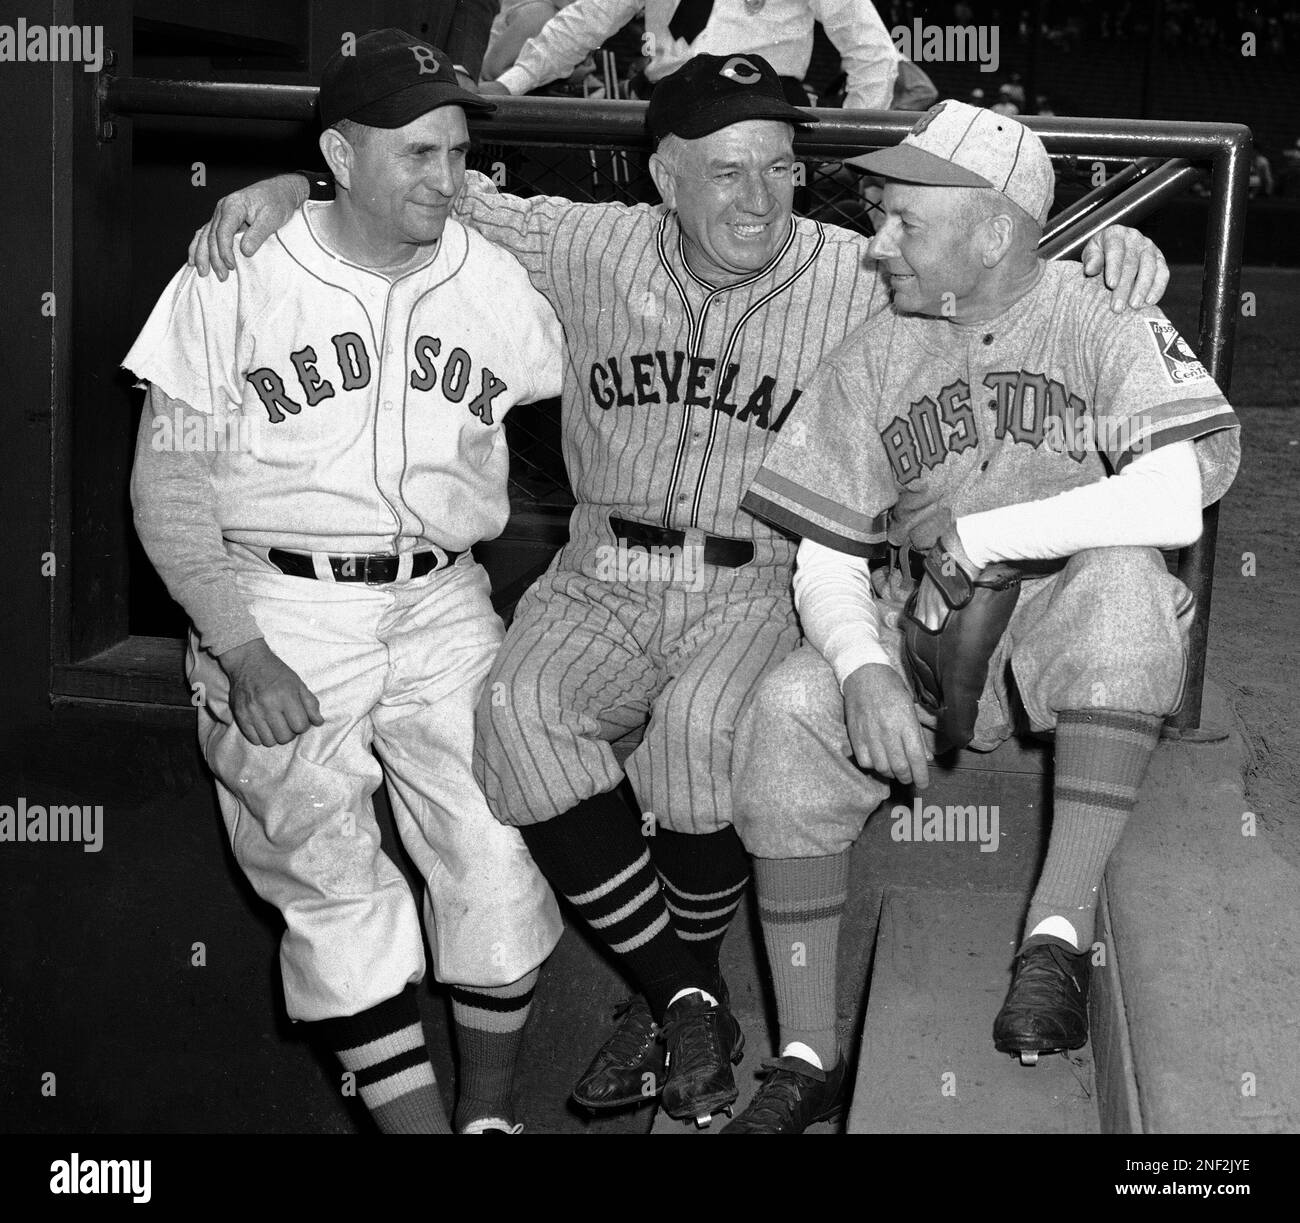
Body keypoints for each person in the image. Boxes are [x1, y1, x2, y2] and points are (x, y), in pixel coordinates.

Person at [186, 54, 1169, 1128]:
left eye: (784, 170)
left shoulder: (855, 267)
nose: (762, 199)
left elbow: (994, 258)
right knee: (517, 713)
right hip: (602, 566)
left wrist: (1115, 246)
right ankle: (683, 994)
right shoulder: (586, 241)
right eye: (729, 172)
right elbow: (426, 190)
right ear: (662, 173)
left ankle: (673, 1007)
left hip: (754, 570)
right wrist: (298, 193)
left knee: (708, 733)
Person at [728, 99, 1241, 1133]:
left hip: (1059, 623)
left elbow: (1176, 490)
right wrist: (862, 666)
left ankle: (1054, 932)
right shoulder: (876, 351)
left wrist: (989, 532)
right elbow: (827, 550)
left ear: (995, 227)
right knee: (786, 710)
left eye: (906, 223)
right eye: (881, 219)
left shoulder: (1101, 310)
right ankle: (801, 1051)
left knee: (1126, 578)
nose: (879, 247)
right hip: (922, 628)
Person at [127, 29, 565, 1135]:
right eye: (416, 153)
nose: (448, 179)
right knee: (326, 864)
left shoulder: (498, 276)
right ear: (339, 153)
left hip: (441, 597)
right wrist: (239, 646)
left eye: (457, 152)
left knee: (500, 834)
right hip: (277, 596)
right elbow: (168, 486)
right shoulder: (234, 270)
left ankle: (490, 1121)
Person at [476, 0, 900, 109]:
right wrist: (510, 83)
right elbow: (588, 19)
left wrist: (850, 150)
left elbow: (874, 53)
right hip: (668, 107)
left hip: (761, 104)